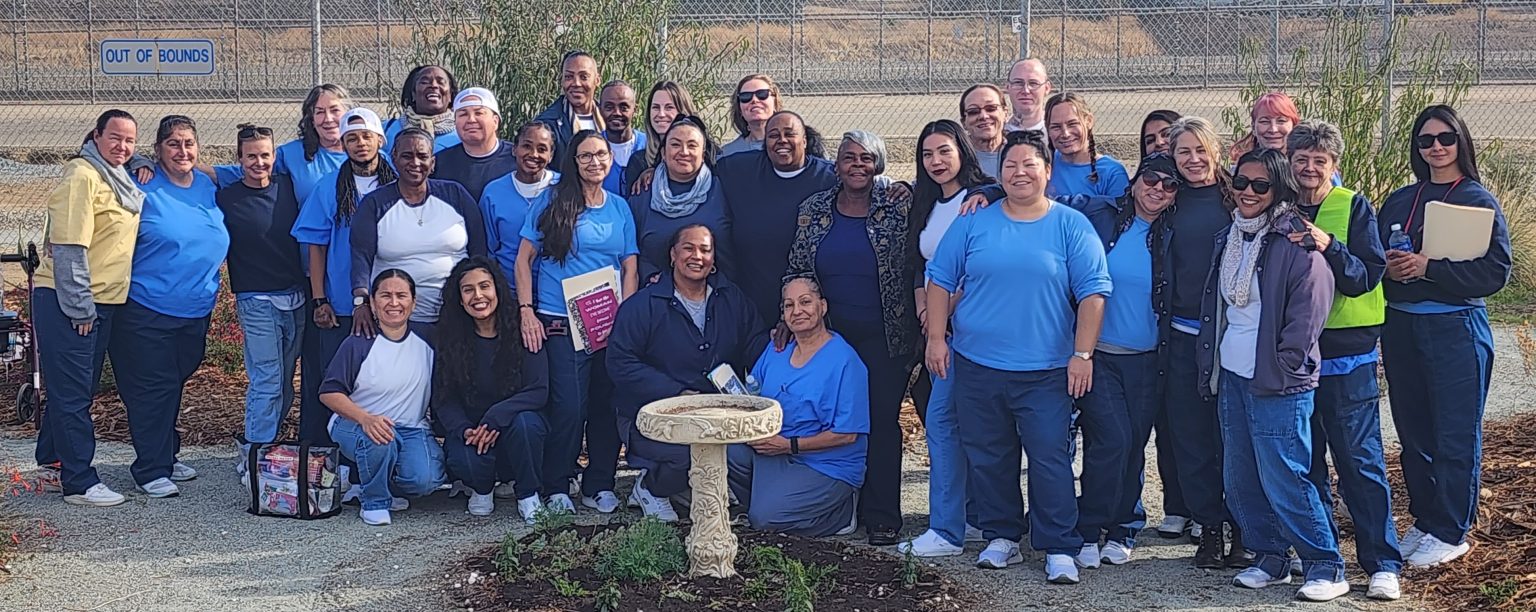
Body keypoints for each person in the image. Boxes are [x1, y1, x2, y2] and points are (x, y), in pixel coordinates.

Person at [925, 130, 1111, 584]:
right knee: (989, 456)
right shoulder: (973, 222)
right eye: (1010, 165)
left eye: (1030, 164)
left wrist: (1082, 354)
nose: (1019, 173)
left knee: (1049, 458)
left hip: (1045, 370)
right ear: (999, 174)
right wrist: (935, 338)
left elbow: (1093, 293)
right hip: (977, 365)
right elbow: (940, 279)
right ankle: (1002, 535)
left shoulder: (1070, 225)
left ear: (1047, 171)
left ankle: (1058, 545)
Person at [1194, 148, 1346, 601]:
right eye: (1241, 182)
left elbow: (1311, 305)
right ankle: (1270, 556)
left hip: (1278, 379)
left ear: (1278, 190)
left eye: (1261, 185)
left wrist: (1286, 362)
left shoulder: (1295, 241)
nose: (1248, 192)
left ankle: (1325, 564)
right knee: (1240, 475)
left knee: (1285, 475)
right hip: (1233, 373)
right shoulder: (1230, 237)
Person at [1378, 104, 1510, 569]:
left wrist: (1429, 268)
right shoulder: (1400, 200)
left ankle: (1452, 530)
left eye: (1445, 138)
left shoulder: (1477, 200)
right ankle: (1426, 518)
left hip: (1455, 327)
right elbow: (1372, 259)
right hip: (1402, 325)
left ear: (1461, 141)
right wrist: (1390, 268)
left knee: (1454, 433)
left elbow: (1495, 272)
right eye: (1425, 140)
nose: (1436, 147)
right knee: (1413, 432)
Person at [1287, 120, 1402, 599]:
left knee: (1359, 460)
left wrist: (1329, 245)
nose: (1310, 168)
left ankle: (1382, 562)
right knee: (1306, 460)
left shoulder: (1352, 206)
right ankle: (1323, 557)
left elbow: (1365, 276)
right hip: (1295, 354)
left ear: (1334, 164)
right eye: (1301, 159)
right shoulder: (1279, 207)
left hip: (1347, 354)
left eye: (1320, 160)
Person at [784, 130, 915, 546]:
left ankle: (883, 516)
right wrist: (789, 315)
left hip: (886, 337)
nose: (857, 165)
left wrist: (909, 187)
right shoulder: (814, 209)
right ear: (836, 165)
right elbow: (797, 268)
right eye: (849, 157)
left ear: (878, 165)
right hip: (830, 339)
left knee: (880, 421)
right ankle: (842, 505)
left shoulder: (898, 207)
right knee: (834, 421)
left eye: (866, 158)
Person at [515, 130, 639, 514]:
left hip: (608, 324)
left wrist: (625, 319)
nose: (594, 162)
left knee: (605, 405)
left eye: (601, 154)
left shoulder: (620, 208)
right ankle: (557, 484)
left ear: (610, 159)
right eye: (585, 156)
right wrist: (526, 310)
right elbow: (523, 260)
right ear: (573, 161)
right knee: (569, 406)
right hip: (561, 321)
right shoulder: (551, 202)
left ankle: (598, 483)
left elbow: (629, 265)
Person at [110, 114, 230, 499]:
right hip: (146, 308)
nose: (182, 151)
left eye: (188, 143)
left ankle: (166, 452)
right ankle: (150, 468)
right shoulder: (140, 184)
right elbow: (101, 158)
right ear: (158, 149)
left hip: (195, 308)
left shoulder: (207, 185)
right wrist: (136, 161)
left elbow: (255, 169)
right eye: (173, 144)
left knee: (174, 381)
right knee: (153, 388)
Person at [608, 225, 764, 521]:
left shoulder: (732, 299)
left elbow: (755, 342)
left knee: (731, 453)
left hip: (715, 413)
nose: (697, 256)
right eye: (688, 248)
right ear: (672, 255)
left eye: (705, 250)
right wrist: (677, 393)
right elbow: (620, 362)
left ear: (714, 258)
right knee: (689, 455)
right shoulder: (642, 305)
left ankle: (691, 488)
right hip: (651, 412)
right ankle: (650, 488)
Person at [896, 119, 997, 557]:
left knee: (945, 422)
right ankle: (963, 519)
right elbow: (920, 265)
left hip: (968, 330)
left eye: (944, 151)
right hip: (937, 330)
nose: (935, 161)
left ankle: (948, 528)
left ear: (962, 152)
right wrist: (925, 309)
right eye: (927, 154)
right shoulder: (926, 204)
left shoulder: (980, 200)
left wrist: (943, 310)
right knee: (947, 424)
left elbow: (978, 267)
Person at [1072, 153, 1179, 568]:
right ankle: (1088, 528)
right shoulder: (1100, 213)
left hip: (1148, 359)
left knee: (1134, 443)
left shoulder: (1173, 234)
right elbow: (1043, 199)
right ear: (1134, 181)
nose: (1158, 189)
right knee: (1110, 440)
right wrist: (990, 192)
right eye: (1151, 179)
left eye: (1169, 185)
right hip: (1098, 355)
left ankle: (1124, 527)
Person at [33, 110, 142, 506]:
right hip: (71, 300)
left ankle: (52, 460)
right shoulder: (82, 176)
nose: (122, 146)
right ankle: (79, 481)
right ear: (96, 136)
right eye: (115, 137)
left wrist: (141, 160)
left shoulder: (117, 175)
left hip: (105, 300)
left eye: (130, 140)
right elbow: (69, 248)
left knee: (75, 387)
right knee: (73, 393)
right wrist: (79, 308)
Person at [727, 277, 869, 537]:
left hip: (825, 464)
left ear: (822, 306)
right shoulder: (777, 349)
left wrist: (788, 445)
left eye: (805, 302)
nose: (797, 311)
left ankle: (840, 514)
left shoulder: (845, 361)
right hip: (777, 448)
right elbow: (752, 394)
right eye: (789, 305)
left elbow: (847, 435)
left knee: (765, 518)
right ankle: (772, 506)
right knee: (727, 451)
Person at [292, 107, 397, 442]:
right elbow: (316, 246)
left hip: (392, 302)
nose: (360, 143)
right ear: (343, 144)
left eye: (366, 136)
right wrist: (319, 299)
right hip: (342, 303)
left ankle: (386, 447)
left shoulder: (398, 183)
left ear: (379, 140)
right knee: (339, 379)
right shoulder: (329, 187)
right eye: (352, 138)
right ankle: (333, 451)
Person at [1164, 116, 1239, 565]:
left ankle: (1243, 528)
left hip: (1230, 337)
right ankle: (1208, 527)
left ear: (1216, 150)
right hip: (1181, 337)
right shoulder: (1166, 201)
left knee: (1231, 438)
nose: (1193, 160)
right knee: (1190, 438)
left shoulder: (1239, 198)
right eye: (1183, 152)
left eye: (1199, 150)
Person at [320, 269, 446, 526]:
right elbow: (329, 393)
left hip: (411, 427)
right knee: (379, 438)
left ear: (414, 302)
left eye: (402, 295)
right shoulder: (358, 342)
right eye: (385, 295)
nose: (394, 302)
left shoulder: (428, 339)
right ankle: (374, 502)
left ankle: (377, 482)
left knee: (425, 480)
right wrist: (365, 419)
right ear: (373, 302)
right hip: (355, 423)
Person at [433, 256, 550, 522]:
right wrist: (466, 429)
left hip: (514, 426)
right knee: (462, 453)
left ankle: (528, 494)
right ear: (459, 299)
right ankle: (482, 489)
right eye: (468, 289)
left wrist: (496, 417)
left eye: (484, 286)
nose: (478, 296)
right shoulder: (449, 337)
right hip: (475, 431)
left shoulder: (524, 329)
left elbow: (538, 389)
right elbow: (444, 399)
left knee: (527, 424)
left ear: (497, 289)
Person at [217, 124, 306, 456]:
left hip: (296, 298)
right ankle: (255, 456)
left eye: (265, 155)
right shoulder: (226, 198)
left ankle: (268, 449)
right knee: (267, 380)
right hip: (256, 301)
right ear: (239, 159)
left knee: (285, 381)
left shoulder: (289, 188)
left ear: (274, 156)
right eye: (251, 156)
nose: (259, 162)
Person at [351, 128, 488, 325]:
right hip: (397, 319)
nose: (415, 163)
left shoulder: (455, 195)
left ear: (432, 163)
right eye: (407, 156)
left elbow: (479, 252)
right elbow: (361, 258)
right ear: (394, 158)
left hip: (458, 316)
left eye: (422, 156)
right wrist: (361, 302)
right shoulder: (374, 204)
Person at [718, 111, 839, 325]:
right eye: (773, 135)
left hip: (810, 309)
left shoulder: (829, 178)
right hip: (752, 304)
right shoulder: (739, 170)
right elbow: (693, 169)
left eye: (789, 134)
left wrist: (898, 188)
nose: (782, 140)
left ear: (804, 140)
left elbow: (867, 182)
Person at [1139, 107, 1190, 539]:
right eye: (1151, 139)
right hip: (1146, 334)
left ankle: (1196, 508)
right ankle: (1173, 504)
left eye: (1166, 137)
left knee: (1186, 424)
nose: (1159, 144)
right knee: (1157, 422)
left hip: (1189, 329)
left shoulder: (1198, 194)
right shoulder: (1136, 203)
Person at [210, 85, 355, 205]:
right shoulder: (293, 154)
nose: (328, 119)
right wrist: (202, 169)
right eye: (320, 112)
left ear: (348, 114)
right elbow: (248, 170)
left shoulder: (363, 153)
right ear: (311, 119)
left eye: (335, 110)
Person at [627, 116, 729, 284]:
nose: (684, 152)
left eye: (692, 145)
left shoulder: (723, 189)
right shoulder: (642, 193)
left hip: (718, 291)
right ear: (663, 153)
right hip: (656, 292)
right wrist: (649, 275)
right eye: (675, 145)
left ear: (703, 154)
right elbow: (630, 251)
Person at [482, 122, 559, 283]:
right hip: (509, 288)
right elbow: (489, 250)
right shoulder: (493, 193)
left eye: (542, 149)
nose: (534, 154)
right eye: (526, 146)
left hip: (556, 289)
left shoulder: (563, 188)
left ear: (551, 155)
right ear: (514, 149)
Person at [432, 87, 514, 202]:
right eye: (463, 114)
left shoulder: (517, 158)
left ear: (495, 121)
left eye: (479, 113)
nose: (471, 120)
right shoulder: (440, 163)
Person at [1044, 92, 1129, 199]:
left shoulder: (1112, 173)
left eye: (1072, 124)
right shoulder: (1043, 164)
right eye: (1056, 127)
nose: (1065, 134)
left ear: (1089, 121)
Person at [623, 81, 700, 192]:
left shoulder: (706, 158)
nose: (661, 114)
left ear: (683, 111)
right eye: (655, 107)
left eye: (669, 107)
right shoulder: (639, 161)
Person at [536, 50, 603, 159]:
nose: (576, 83)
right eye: (569, 77)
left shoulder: (609, 119)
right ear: (561, 80)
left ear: (597, 80)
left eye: (584, 77)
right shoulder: (548, 124)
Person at [384, 65, 461, 153]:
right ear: (413, 94)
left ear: (450, 95)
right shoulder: (386, 130)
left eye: (441, 82)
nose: (434, 85)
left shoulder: (464, 132)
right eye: (424, 82)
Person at [599, 80, 646, 196]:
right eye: (609, 107)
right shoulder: (592, 148)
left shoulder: (649, 146)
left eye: (624, 108)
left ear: (635, 110)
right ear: (600, 109)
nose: (617, 113)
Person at [722, 73, 783, 158]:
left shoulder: (794, 148)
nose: (754, 100)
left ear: (775, 102)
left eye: (762, 94)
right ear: (740, 109)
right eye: (746, 96)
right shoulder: (727, 155)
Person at [1230, 91, 1300, 160]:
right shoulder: (1244, 166)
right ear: (1253, 128)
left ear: (1294, 126)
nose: (1273, 130)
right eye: (1265, 121)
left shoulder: (1303, 166)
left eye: (1281, 121)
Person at [960, 84, 1009, 179]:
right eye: (973, 111)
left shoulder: (1022, 153)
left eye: (991, 108)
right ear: (964, 122)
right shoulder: (955, 159)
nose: (983, 116)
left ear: (1005, 114)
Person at [1003, 58, 1052, 133]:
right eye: (1018, 83)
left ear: (1047, 88)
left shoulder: (1059, 132)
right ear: (1007, 87)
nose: (1026, 91)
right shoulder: (996, 134)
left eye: (1033, 83)